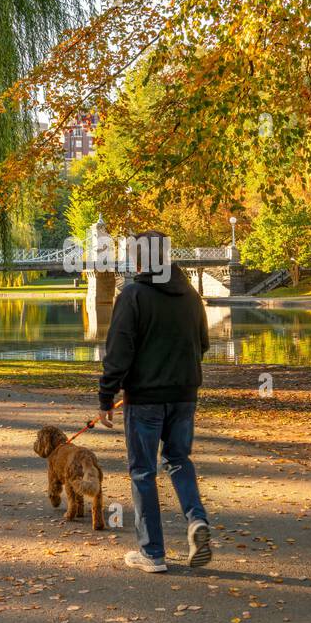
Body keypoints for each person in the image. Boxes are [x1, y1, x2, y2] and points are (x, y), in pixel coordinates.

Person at [99, 230, 212, 573]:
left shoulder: (132, 295)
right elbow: (203, 344)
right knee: (178, 459)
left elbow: (119, 351)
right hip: (184, 395)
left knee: (143, 472)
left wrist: (107, 394)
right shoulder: (190, 296)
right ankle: (196, 521)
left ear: (139, 260)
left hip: (146, 399)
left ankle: (153, 553)